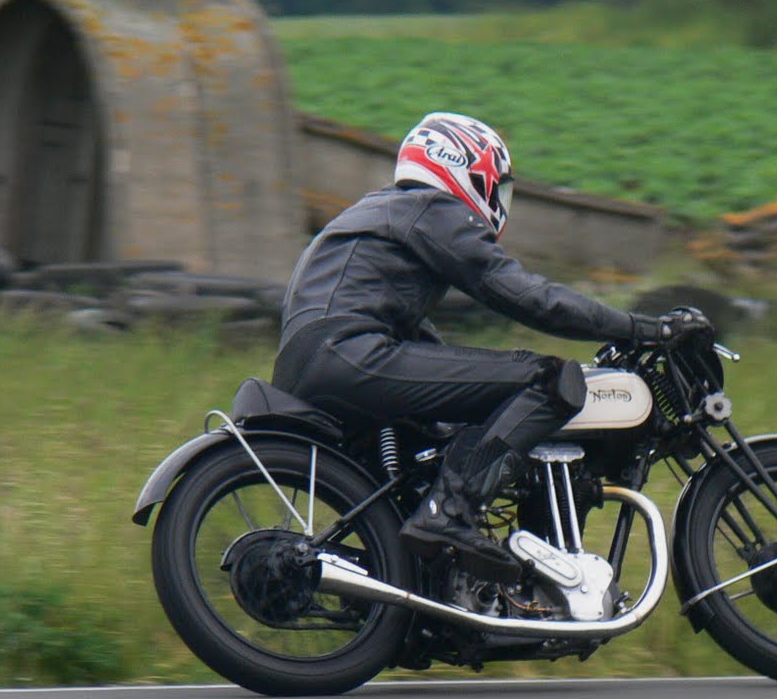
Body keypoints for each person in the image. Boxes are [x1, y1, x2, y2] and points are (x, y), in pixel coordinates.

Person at [273, 111, 711, 579]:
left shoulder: (376, 212)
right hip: (351, 353)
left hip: (312, 361)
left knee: (439, 438)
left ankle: (433, 573)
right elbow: (530, 298)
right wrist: (642, 329)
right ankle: (451, 513)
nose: (499, 201)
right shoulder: (432, 208)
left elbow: (417, 338)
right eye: (497, 187)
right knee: (550, 379)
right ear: (466, 167)